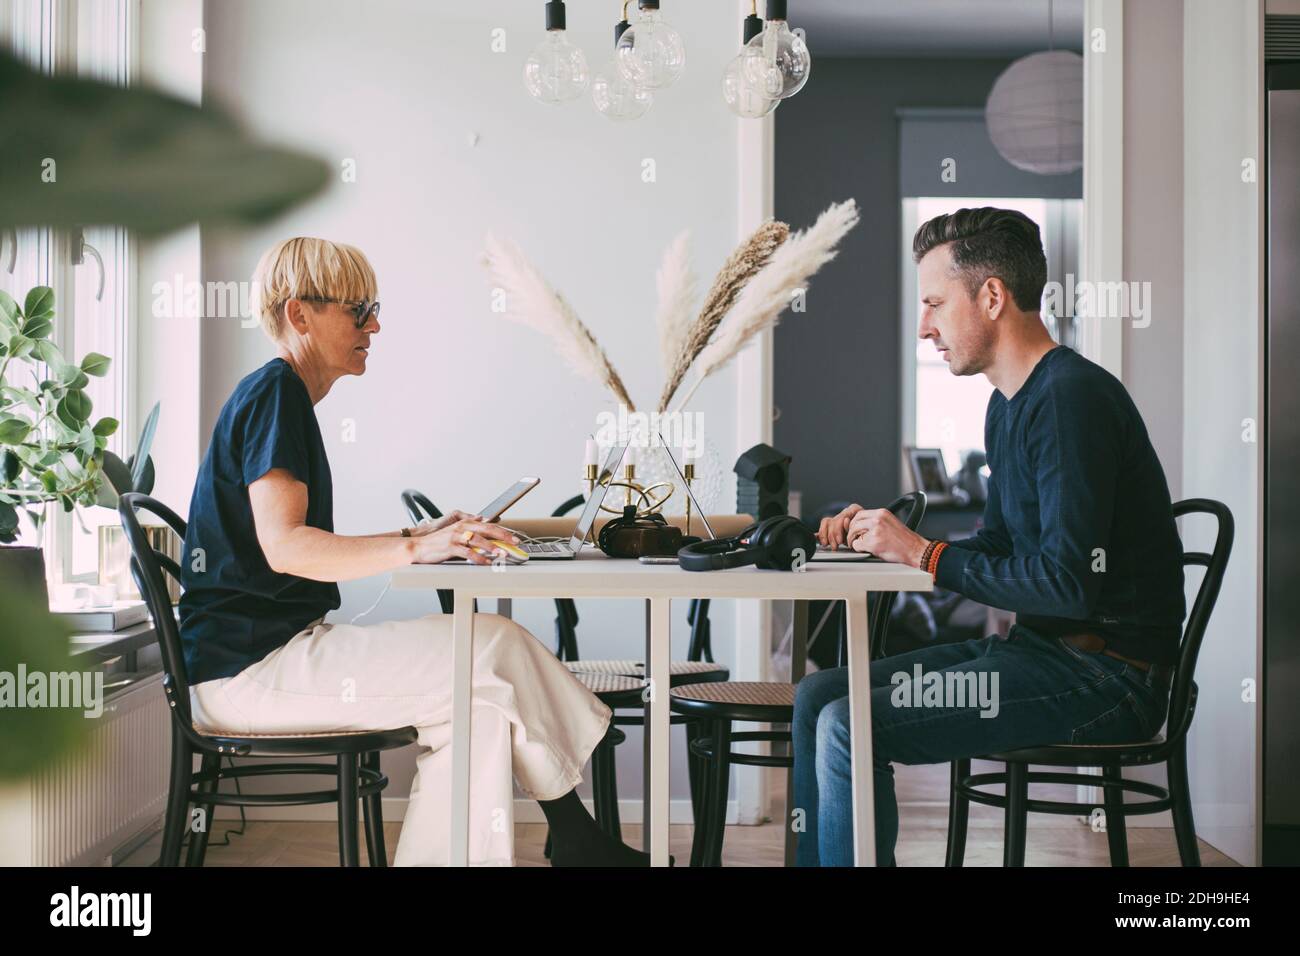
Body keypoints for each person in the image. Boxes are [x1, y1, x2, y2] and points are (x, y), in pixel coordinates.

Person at [179, 237, 649, 866]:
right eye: (358, 310)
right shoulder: (276, 394)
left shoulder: (279, 396)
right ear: (300, 315)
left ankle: (576, 837)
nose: (375, 324)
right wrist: (416, 546)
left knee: (477, 707)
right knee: (492, 642)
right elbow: (287, 547)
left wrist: (425, 540)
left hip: (270, 656)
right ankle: (578, 832)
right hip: (248, 671)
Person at [795, 208, 1185, 866]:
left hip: (1105, 677)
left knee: (848, 723)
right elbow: (1002, 549)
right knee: (819, 693)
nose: (925, 328)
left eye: (935, 304)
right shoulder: (1008, 405)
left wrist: (923, 554)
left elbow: (1065, 584)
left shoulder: (1071, 400)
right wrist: (886, 538)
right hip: (1039, 656)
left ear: (993, 295)